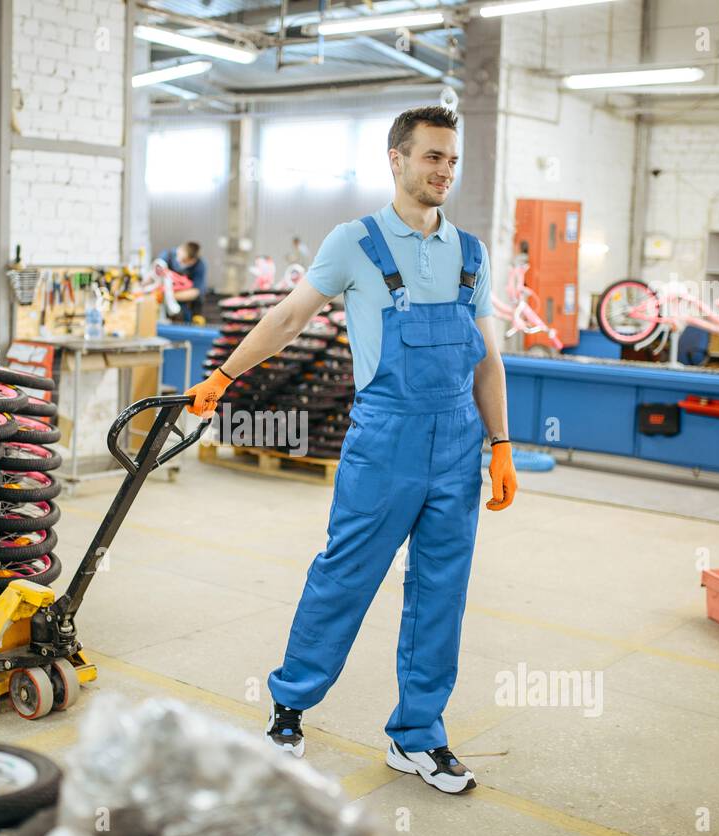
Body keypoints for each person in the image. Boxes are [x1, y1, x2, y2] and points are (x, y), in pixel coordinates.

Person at [185, 105, 517, 795]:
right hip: (385, 438)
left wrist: (503, 444)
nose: (443, 171)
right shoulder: (354, 242)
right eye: (431, 157)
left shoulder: (472, 254)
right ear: (396, 160)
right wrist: (223, 376)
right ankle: (288, 712)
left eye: (451, 160)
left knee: (442, 591)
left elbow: (488, 360)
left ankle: (418, 736)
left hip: (458, 443)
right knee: (345, 575)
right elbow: (286, 318)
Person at [157, 241, 207, 321]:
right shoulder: (167, 255)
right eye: (179, 258)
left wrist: (168, 296)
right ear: (180, 249)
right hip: (162, 303)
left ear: (193, 261)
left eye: (184, 261)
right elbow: (155, 272)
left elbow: (195, 292)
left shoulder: (200, 265)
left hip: (184, 304)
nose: (180, 262)